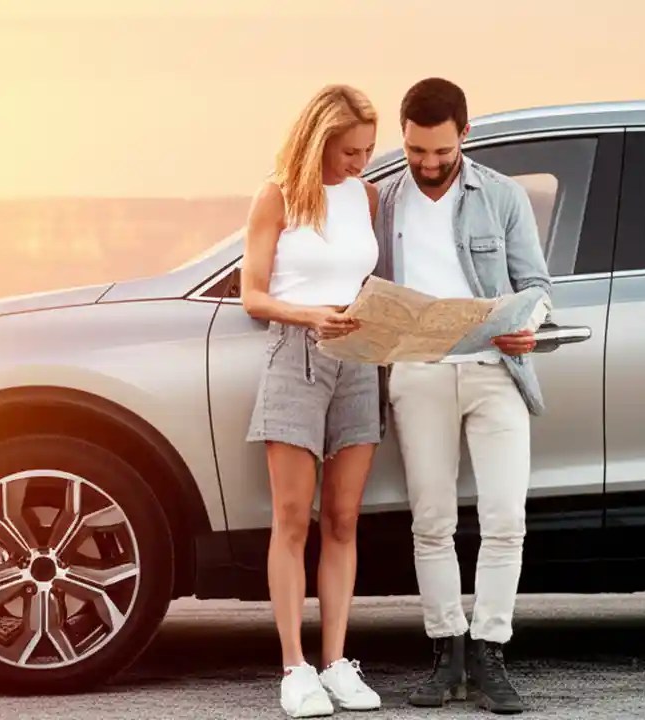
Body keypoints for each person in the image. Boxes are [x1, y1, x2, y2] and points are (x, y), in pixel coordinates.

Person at [373, 77, 551, 715]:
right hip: (418, 373)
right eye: (416, 150)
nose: (428, 164)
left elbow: (536, 284)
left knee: (505, 519)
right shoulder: (382, 202)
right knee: (431, 521)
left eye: (441, 152)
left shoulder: (502, 196)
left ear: (465, 135)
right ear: (403, 136)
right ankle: (446, 654)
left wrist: (530, 324)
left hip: (495, 371)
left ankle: (490, 652)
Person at [241, 83, 385, 718]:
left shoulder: (367, 196)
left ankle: (336, 663)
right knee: (293, 519)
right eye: (351, 151)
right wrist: (309, 315)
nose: (361, 162)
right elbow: (252, 295)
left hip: (358, 358)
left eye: (368, 150)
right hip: (296, 354)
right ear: (320, 140)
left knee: (344, 519)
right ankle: (294, 668)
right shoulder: (277, 196)